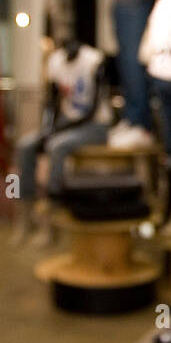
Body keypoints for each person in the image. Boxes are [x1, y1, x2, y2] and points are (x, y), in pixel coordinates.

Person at [10, 38, 107, 247]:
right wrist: (49, 128)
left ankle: (51, 222)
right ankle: (24, 218)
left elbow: (93, 109)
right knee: (24, 146)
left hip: (94, 125)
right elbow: (52, 101)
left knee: (58, 146)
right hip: (64, 123)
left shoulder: (93, 61)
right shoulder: (55, 62)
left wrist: (57, 131)